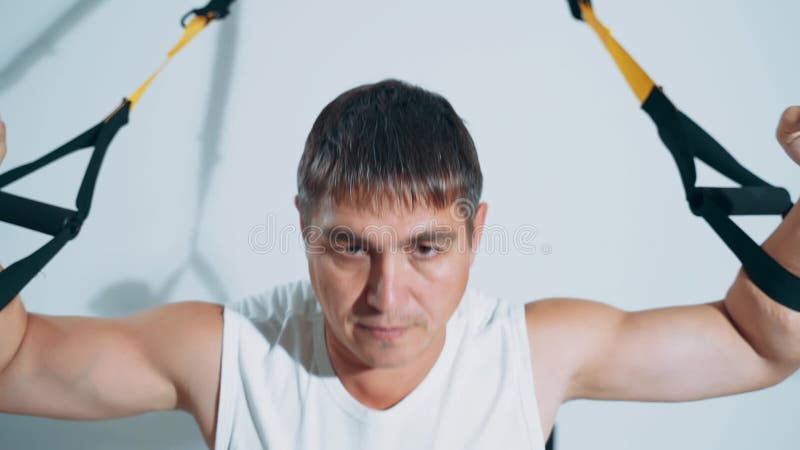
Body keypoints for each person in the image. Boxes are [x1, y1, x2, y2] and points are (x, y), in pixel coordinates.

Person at [1, 80, 800, 449]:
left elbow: (760, 343)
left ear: (475, 235)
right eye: (349, 245)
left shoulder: (533, 355)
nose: (389, 296)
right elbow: (14, 365)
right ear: (304, 231)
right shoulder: (229, 356)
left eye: (427, 247)